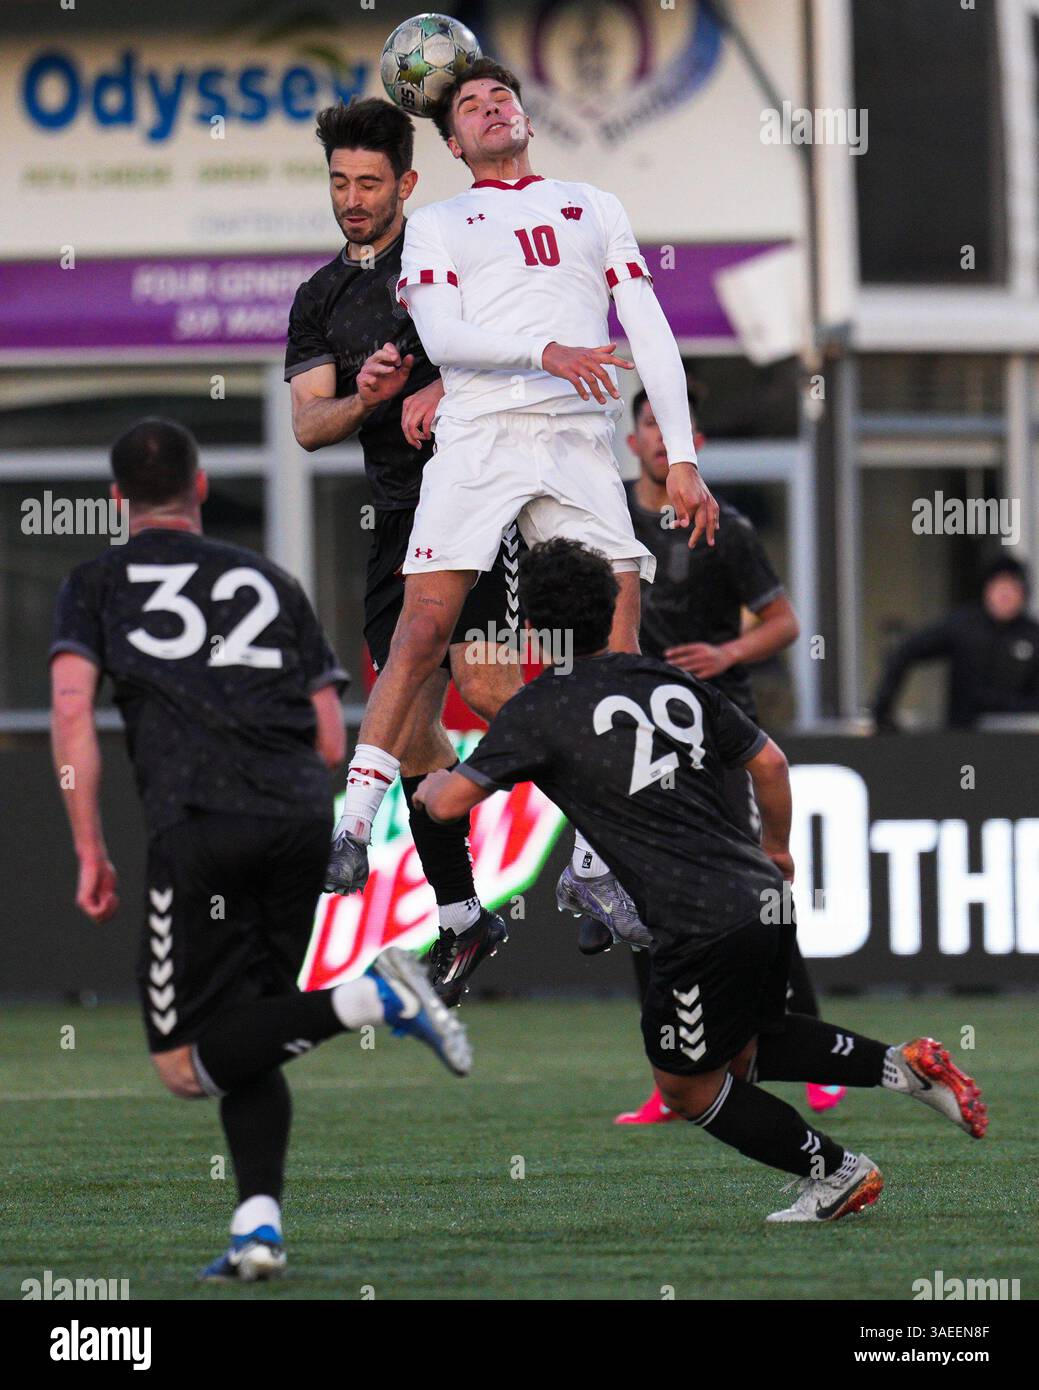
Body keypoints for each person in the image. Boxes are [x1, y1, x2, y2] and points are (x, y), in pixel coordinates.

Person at [414, 539, 987, 1223]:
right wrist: (776, 853)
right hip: (758, 892)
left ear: (534, 631)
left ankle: (838, 1172)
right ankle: (904, 1066)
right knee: (747, 1045)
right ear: (611, 611)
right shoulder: (672, 682)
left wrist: (426, 779)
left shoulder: (540, 705)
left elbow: (448, 804)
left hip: (694, 922)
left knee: (687, 1089)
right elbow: (769, 765)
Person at [49, 418, 470, 1283]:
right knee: (252, 1030)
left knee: (182, 1065)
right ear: (201, 489)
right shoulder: (267, 578)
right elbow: (327, 738)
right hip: (292, 821)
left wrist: (90, 848)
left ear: (116, 500)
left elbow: (70, 720)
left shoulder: (95, 583)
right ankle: (258, 1230)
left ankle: (369, 998)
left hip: (198, 826)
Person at [325, 59, 719, 969]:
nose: (491, 106)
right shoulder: (437, 223)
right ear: (454, 143)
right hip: (481, 431)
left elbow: (648, 327)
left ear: (524, 119)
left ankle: (590, 855)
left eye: (501, 96)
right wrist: (546, 348)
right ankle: (352, 821)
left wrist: (687, 456)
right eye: (469, 104)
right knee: (422, 633)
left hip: (578, 438)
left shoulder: (593, 202)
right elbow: (448, 337)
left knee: (618, 626)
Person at [285, 97, 522, 1002]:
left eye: (369, 183)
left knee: (488, 688)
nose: (352, 198)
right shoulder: (320, 297)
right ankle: (462, 915)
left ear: (407, 185)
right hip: (396, 522)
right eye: (340, 181)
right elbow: (309, 426)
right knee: (414, 725)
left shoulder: (445, 249)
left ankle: (607, 847)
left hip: (473, 499)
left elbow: (506, 348)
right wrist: (372, 397)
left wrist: (444, 394)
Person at [602, 388, 841, 1122]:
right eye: (648, 424)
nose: (661, 437)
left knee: (753, 887)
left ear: (686, 440)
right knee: (644, 897)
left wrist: (727, 650)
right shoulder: (600, 515)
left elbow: (783, 621)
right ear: (633, 437)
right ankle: (670, 1069)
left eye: (672, 427)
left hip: (722, 726)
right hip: (636, 732)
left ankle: (815, 1055)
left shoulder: (721, 525)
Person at [872, 555, 1039, 730]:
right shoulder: (963, 626)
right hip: (964, 736)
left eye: (1012, 587)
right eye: (999, 586)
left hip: (1018, 736)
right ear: (987, 590)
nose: (1005, 594)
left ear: (1023, 593)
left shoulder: (1033, 635)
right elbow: (906, 650)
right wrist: (881, 711)